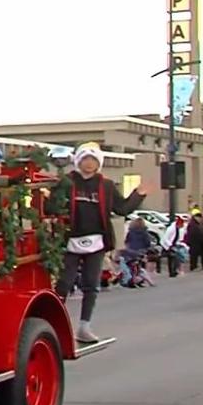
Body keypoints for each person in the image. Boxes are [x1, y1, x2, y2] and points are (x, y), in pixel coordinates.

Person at [53, 143, 148, 343]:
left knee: (91, 284)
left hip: (96, 241)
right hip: (70, 240)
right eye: (85, 159)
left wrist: (138, 194)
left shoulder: (106, 185)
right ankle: (54, 326)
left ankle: (84, 327)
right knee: (64, 283)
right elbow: (53, 207)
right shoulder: (67, 182)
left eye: (93, 160)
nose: (89, 163)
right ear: (78, 161)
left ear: (99, 163)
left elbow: (122, 209)